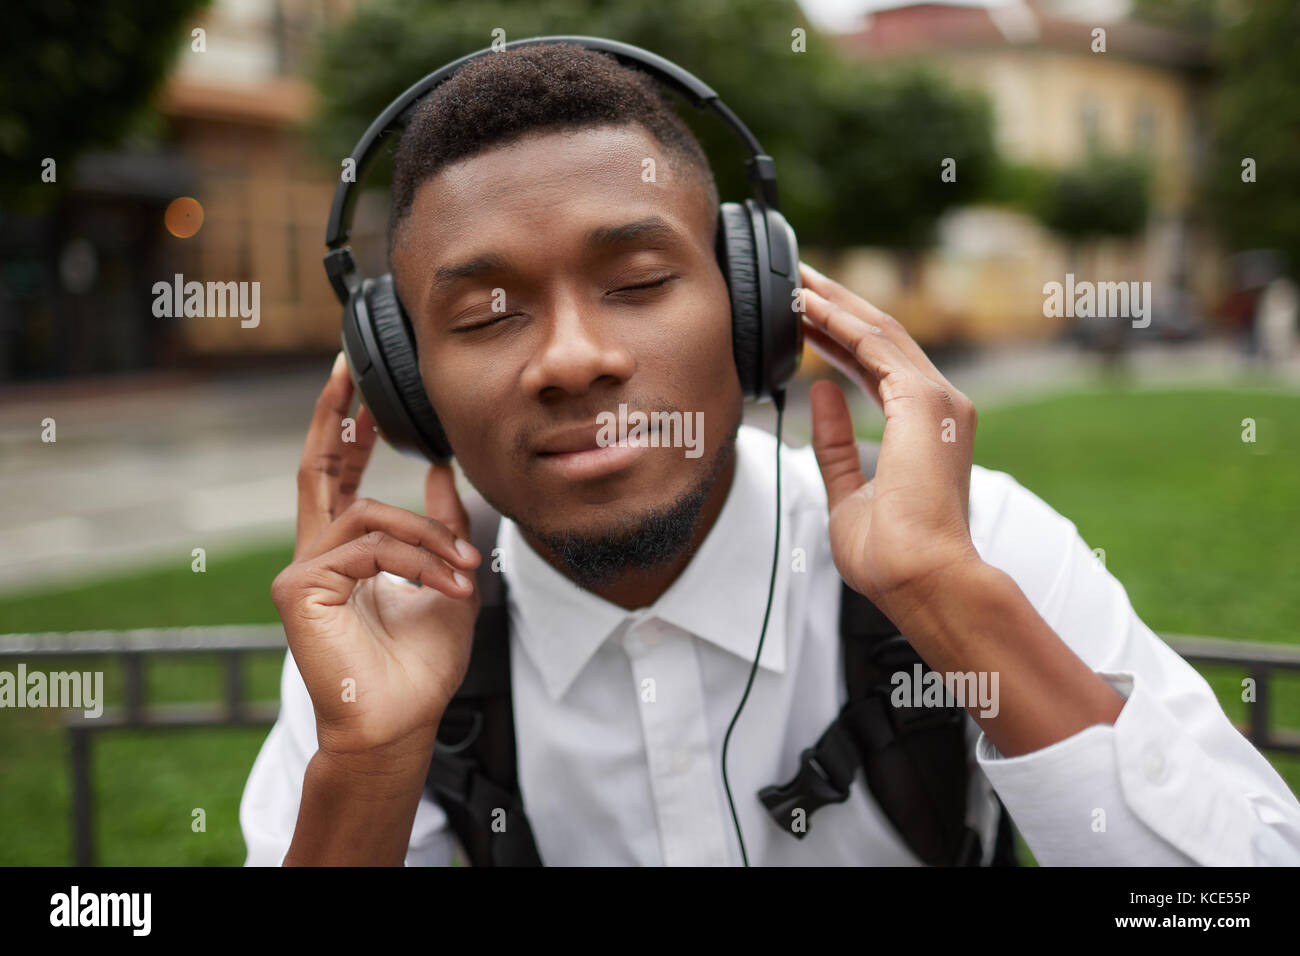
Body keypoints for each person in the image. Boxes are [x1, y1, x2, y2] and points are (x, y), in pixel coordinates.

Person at [240, 43, 1300, 866]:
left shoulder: (975, 538)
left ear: (757, 309)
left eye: (640, 282)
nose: (571, 358)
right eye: (484, 314)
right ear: (403, 379)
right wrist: (369, 762)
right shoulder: (379, 632)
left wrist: (947, 598)